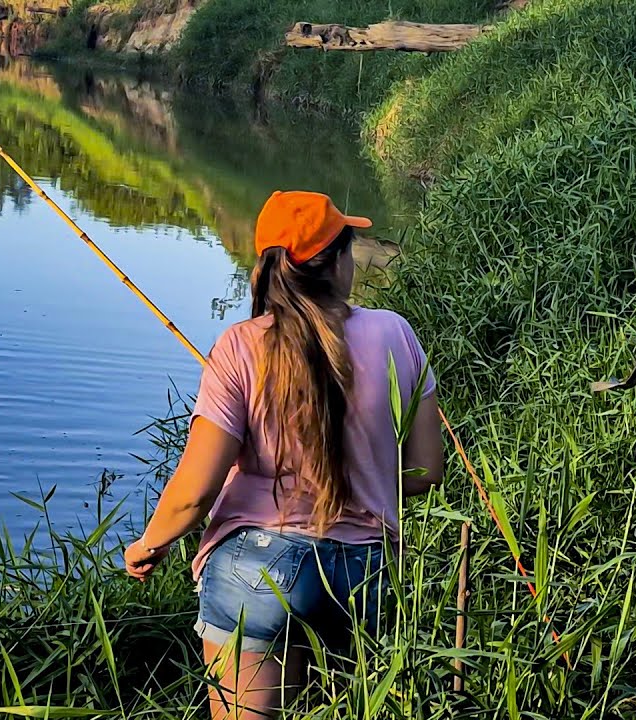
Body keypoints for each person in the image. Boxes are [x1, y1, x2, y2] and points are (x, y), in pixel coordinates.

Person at [122, 191, 444, 720]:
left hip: (258, 571)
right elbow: (426, 471)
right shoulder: (395, 333)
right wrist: (359, 480)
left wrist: (148, 544)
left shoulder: (240, 345)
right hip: (367, 575)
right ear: (338, 262)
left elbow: (194, 492)